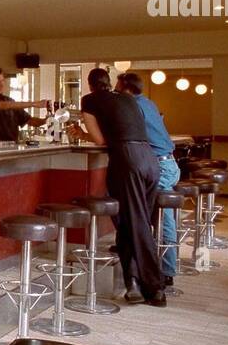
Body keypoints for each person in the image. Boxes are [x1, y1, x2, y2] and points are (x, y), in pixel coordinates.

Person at [69, 67, 166, 306]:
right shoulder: (126, 98)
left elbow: (101, 140)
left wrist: (80, 134)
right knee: (131, 222)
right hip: (149, 160)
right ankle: (133, 284)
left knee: (136, 223)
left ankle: (155, 288)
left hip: (127, 160)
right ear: (109, 82)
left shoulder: (89, 100)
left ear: (90, 85)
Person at [117, 72, 181, 285]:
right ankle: (136, 249)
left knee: (163, 218)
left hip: (160, 165)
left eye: (117, 83)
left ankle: (166, 270)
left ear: (124, 86)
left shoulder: (132, 106)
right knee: (153, 214)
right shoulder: (148, 103)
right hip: (167, 162)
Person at [0, 67, 48, 141]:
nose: (2, 84)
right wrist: (33, 104)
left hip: (11, 146)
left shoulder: (9, 100)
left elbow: (29, 120)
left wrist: (46, 120)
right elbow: (2, 105)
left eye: (2, 81)